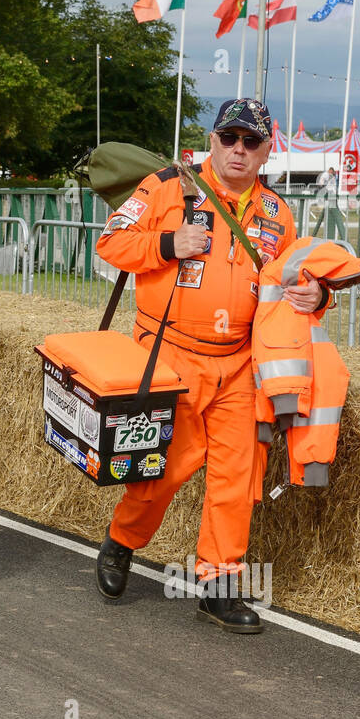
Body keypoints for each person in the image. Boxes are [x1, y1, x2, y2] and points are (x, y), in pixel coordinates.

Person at [93, 98, 328, 633]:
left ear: (268, 150)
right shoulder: (167, 187)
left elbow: (296, 278)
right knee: (164, 472)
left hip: (241, 364)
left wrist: (318, 297)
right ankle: (121, 542)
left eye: (252, 141)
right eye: (230, 138)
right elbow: (111, 242)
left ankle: (218, 588)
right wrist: (169, 243)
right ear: (213, 141)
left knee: (236, 478)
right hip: (171, 357)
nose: (239, 149)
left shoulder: (276, 213)